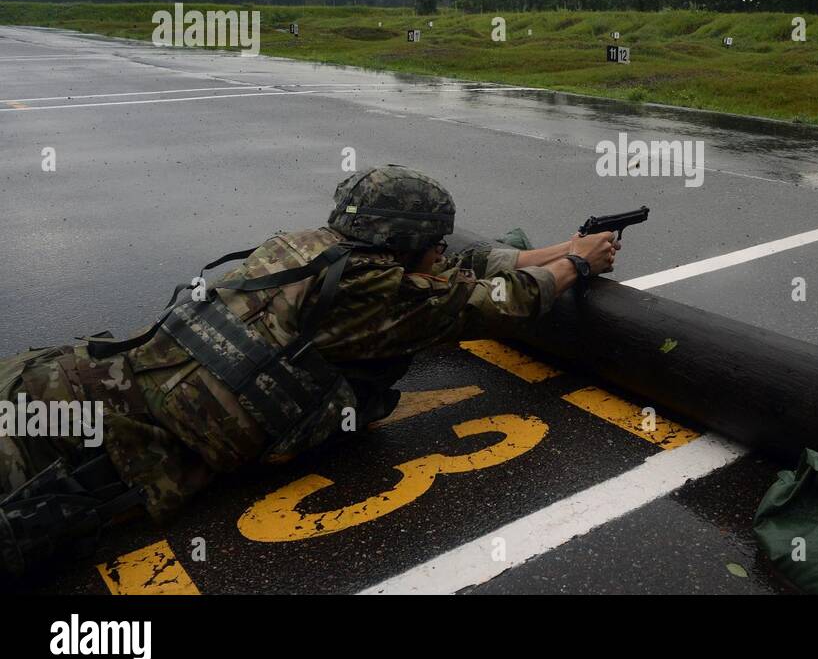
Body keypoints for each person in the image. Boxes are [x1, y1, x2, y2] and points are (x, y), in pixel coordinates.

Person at [0, 164, 619, 580]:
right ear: (406, 246)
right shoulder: (376, 291)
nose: (443, 252)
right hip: (84, 454)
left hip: (54, 379)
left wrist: (563, 248)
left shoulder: (302, 246)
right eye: (434, 242)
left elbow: (458, 267)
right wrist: (579, 266)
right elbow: (503, 301)